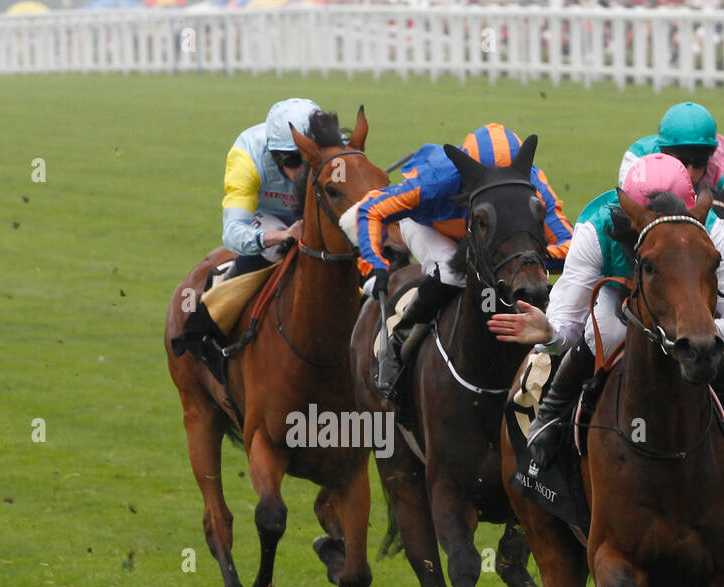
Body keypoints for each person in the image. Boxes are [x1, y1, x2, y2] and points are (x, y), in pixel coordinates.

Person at [488, 152, 724, 465]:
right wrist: (550, 333)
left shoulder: (713, 232)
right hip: (617, 294)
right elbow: (568, 322)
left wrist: (690, 330)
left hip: (683, 307)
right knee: (607, 329)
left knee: (701, 331)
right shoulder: (595, 229)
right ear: (628, 215)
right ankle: (551, 412)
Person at [343, 124, 573, 399]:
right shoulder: (436, 179)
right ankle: (401, 339)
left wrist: (532, 262)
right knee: (451, 274)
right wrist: (374, 265)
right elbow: (371, 208)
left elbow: (568, 244)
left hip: (487, 237)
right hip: (429, 227)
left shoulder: (531, 184)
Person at [620, 101, 724, 365]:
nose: (690, 173)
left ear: (712, 156)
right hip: (654, 251)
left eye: (700, 162)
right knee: (603, 328)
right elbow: (637, 228)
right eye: (681, 161)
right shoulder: (638, 162)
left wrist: (723, 221)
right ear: (662, 151)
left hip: (701, 258)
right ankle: (565, 397)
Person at [219, 97, 321, 279]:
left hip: (319, 219)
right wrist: (280, 236)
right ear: (275, 157)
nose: (304, 171)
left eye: (312, 158)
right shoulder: (247, 157)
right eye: (293, 160)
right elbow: (233, 231)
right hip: (268, 220)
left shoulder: (339, 154)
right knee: (275, 250)